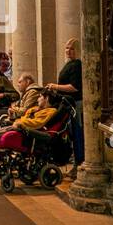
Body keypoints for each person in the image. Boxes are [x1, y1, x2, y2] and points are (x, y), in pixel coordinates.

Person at [45, 37, 83, 175]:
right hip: (68, 104)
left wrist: (55, 86)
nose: (68, 51)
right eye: (67, 48)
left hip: (75, 105)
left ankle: (79, 163)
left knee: (78, 135)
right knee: (71, 135)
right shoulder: (69, 64)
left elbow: (74, 87)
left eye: (72, 48)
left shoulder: (77, 64)